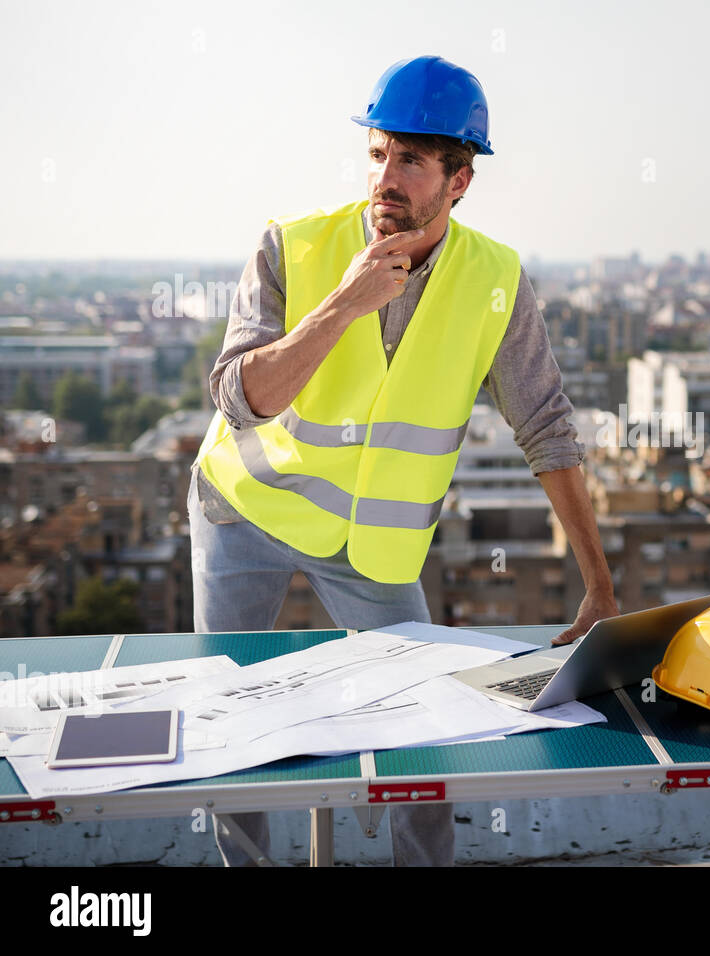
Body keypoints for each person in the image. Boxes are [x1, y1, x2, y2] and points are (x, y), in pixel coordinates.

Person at [188, 55, 619, 866]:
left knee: (424, 719)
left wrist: (598, 582)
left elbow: (547, 428)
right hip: (242, 511)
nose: (387, 176)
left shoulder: (495, 280)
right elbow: (239, 398)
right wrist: (345, 303)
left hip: (370, 546)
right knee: (230, 714)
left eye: (412, 160)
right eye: (380, 153)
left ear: (460, 182)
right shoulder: (293, 244)